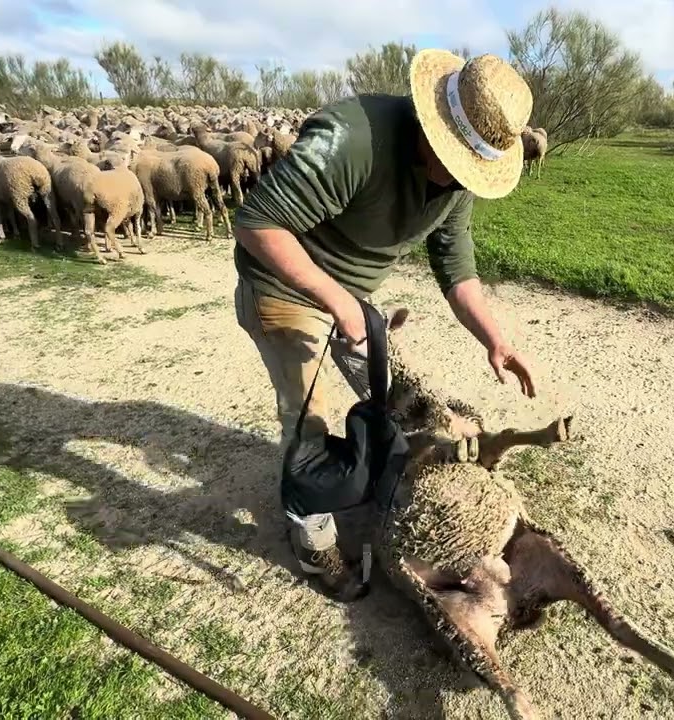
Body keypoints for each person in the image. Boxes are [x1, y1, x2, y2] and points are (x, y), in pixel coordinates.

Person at [231, 49, 539, 601]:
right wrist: (334, 299)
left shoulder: (454, 184)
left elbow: (456, 265)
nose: (457, 179)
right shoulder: (352, 138)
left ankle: (384, 478)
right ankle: (311, 535)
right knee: (309, 422)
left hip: (354, 301)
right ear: (432, 122)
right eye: (455, 159)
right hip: (283, 285)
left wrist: (496, 339)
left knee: (401, 397)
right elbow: (256, 222)